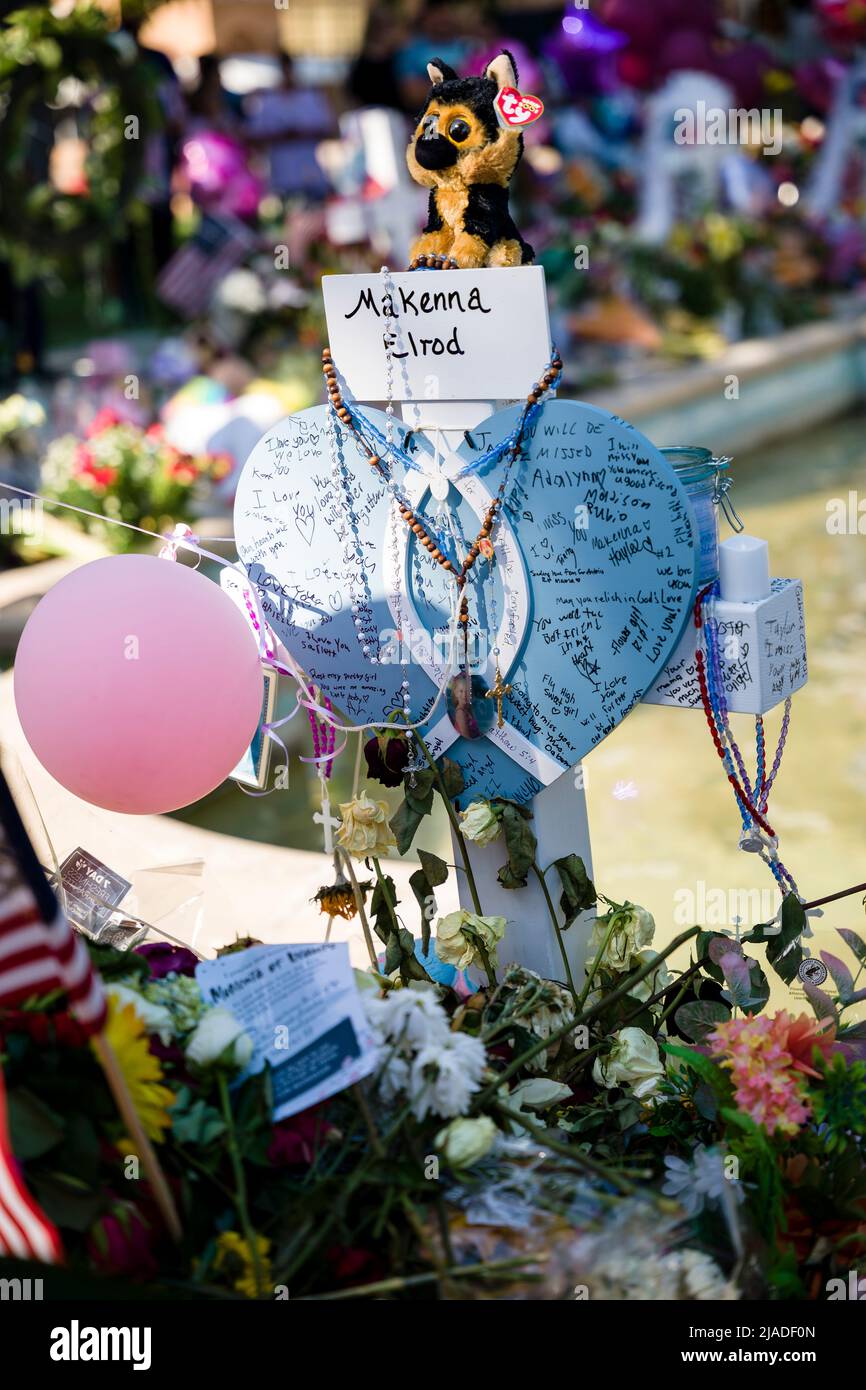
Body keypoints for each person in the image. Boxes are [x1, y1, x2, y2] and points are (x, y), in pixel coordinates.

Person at [244, 53, 335, 202]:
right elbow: (254, 136)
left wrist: (301, 134)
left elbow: (328, 129)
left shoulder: (311, 96)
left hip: (312, 177)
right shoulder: (266, 101)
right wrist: (282, 136)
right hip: (281, 178)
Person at [395, 0, 476, 111]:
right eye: (435, 13)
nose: (442, 18)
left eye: (446, 12)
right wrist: (458, 84)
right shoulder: (411, 50)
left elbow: (479, 86)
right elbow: (413, 95)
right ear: (424, 17)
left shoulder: (470, 47)